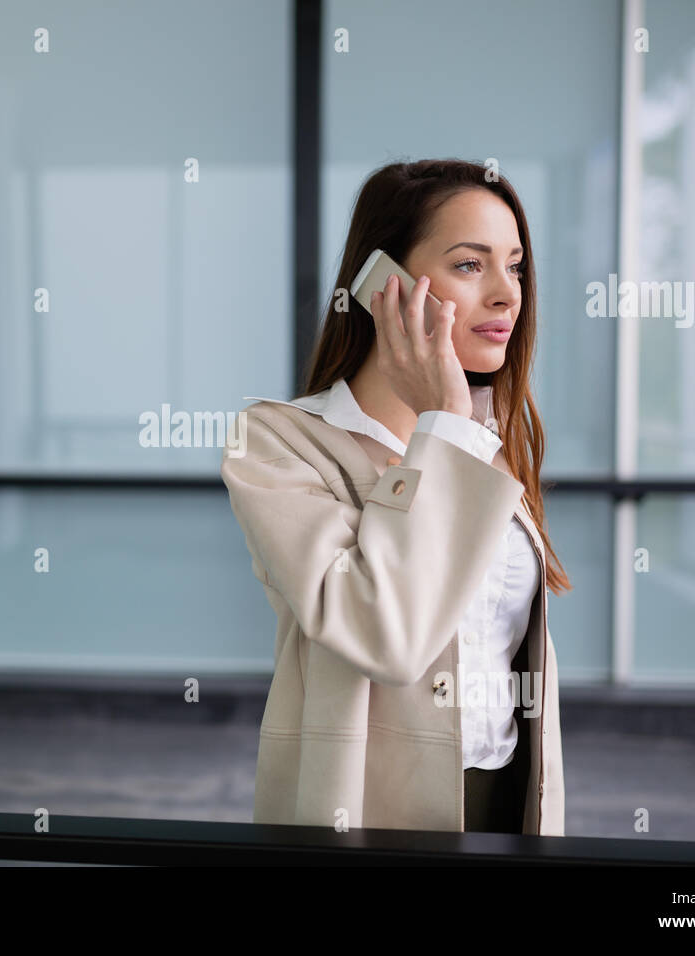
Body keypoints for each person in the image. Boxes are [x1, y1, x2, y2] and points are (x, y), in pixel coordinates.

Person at [221, 158, 570, 835]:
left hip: (507, 805)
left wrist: (455, 427)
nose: (507, 295)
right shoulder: (277, 444)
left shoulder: (488, 441)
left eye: (516, 266)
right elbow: (383, 636)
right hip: (369, 812)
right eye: (471, 266)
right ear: (385, 285)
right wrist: (442, 423)